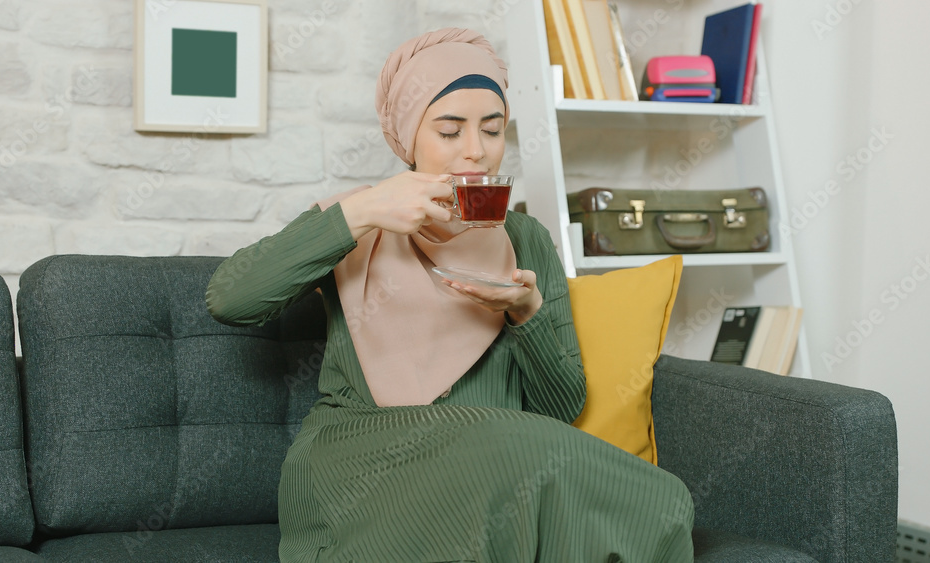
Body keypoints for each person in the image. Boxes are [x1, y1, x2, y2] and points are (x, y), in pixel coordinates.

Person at [206, 28, 694, 563]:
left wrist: (525, 313)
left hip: (497, 464)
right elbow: (230, 299)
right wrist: (361, 212)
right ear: (408, 137)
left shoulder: (525, 238)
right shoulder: (356, 220)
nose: (476, 151)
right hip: (362, 459)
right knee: (521, 456)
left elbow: (559, 408)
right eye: (449, 130)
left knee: (663, 499)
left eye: (492, 129)